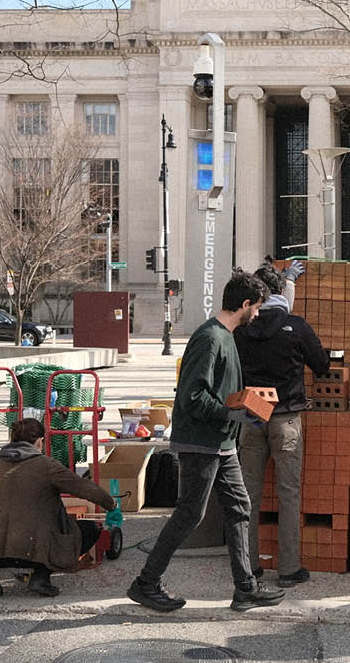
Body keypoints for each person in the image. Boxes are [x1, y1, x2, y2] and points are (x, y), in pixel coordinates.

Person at [126, 270, 285, 612]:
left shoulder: (226, 336)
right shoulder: (210, 338)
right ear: (244, 304)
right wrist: (233, 414)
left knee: (240, 507)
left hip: (221, 443)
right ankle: (145, 583)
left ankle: (245, 589)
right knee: (189, 515)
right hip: (202, 443)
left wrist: (245, 403)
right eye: (255, 308)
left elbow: (216, 392)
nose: (256, 315)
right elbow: (191, 396)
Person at [234, 262, 330, 588]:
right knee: (288, 494)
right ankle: (289, 570)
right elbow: (321, 365)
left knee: (248, 494)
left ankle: (248, 568)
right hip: (286, 415)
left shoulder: (241, 330)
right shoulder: (296, 326)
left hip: (251, 414)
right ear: (279, 292)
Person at [0, 417, 115, 598]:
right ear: (40, 441)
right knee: (89, 529)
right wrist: (111, 503)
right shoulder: (47, 465)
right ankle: (41, 576)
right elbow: (84, 487)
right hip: (33, 550)